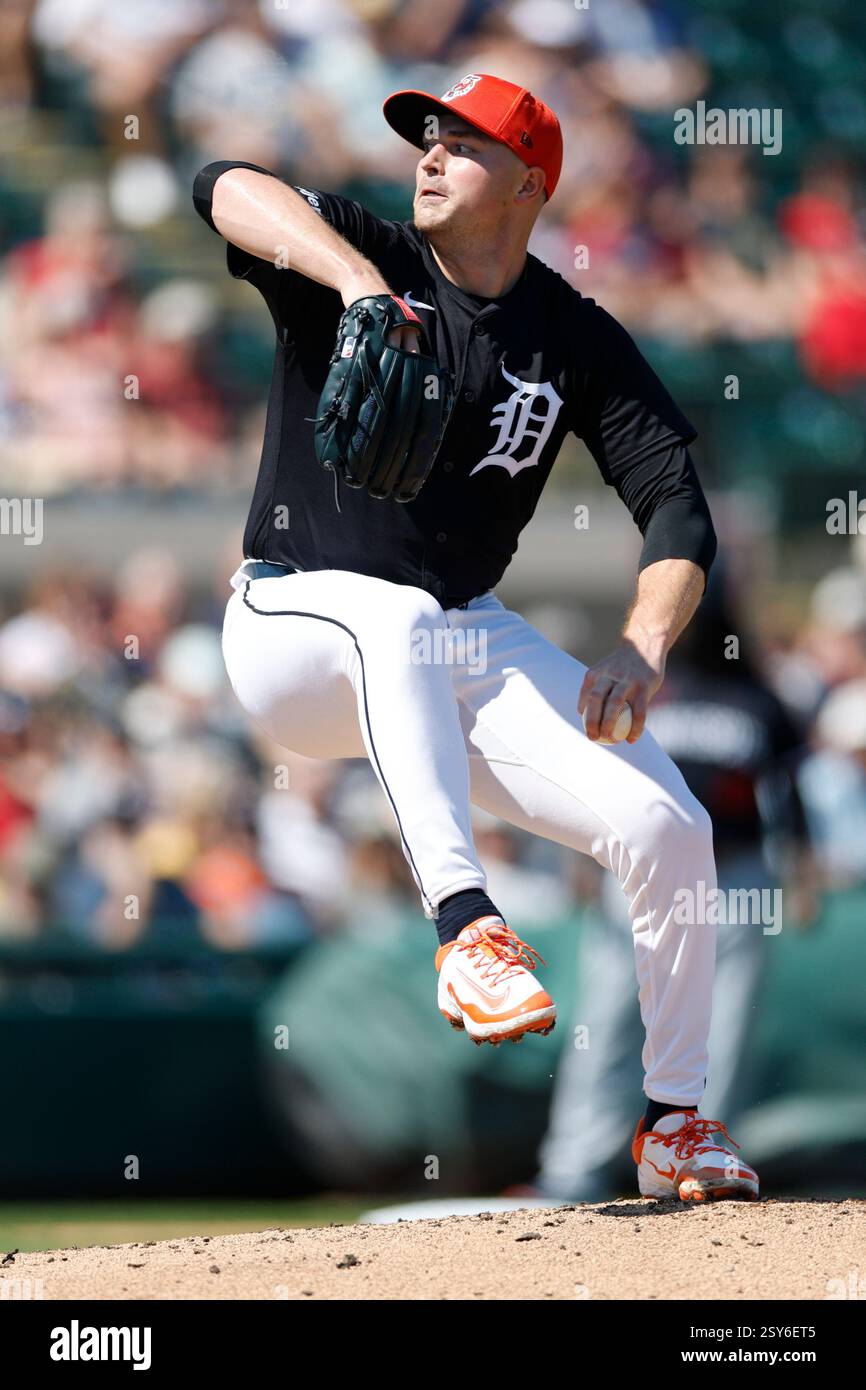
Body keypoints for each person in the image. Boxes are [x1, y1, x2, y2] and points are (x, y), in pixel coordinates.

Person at [192, 72, 759, 1201]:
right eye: (428, 136)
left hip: (454, 635)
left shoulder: (571, 336)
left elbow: (676, 508)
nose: (433, 154)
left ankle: (675, 1121)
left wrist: (642, 646)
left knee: (668, 824)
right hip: (290, 622)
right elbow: (222, 185)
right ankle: (465, 927)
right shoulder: (358, 247)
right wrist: (354, 285)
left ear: (532, 181)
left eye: (465, 141)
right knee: (394, 614)